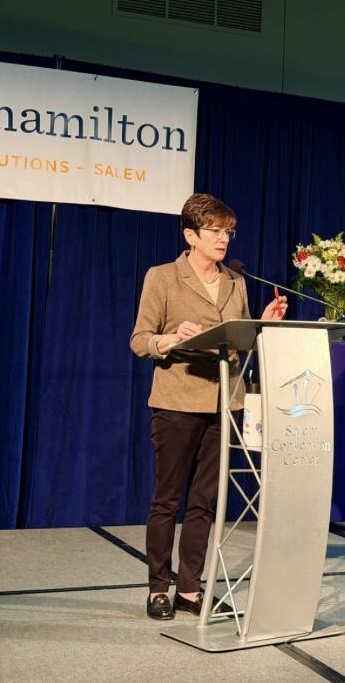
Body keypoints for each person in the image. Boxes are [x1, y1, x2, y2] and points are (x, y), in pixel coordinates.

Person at [130, 193, 287, 620]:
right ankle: (158, 588)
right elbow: (140, 339)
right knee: (167, 500)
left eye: (228, 232)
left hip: (225, 403)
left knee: (204, 503)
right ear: (190, 235)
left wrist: (265, 326)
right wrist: (169, 339)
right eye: (215, 231)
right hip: (178, 400)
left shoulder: (236, 282)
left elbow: (241, 342)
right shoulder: (162, 277)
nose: (223, 239)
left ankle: (190, 589)